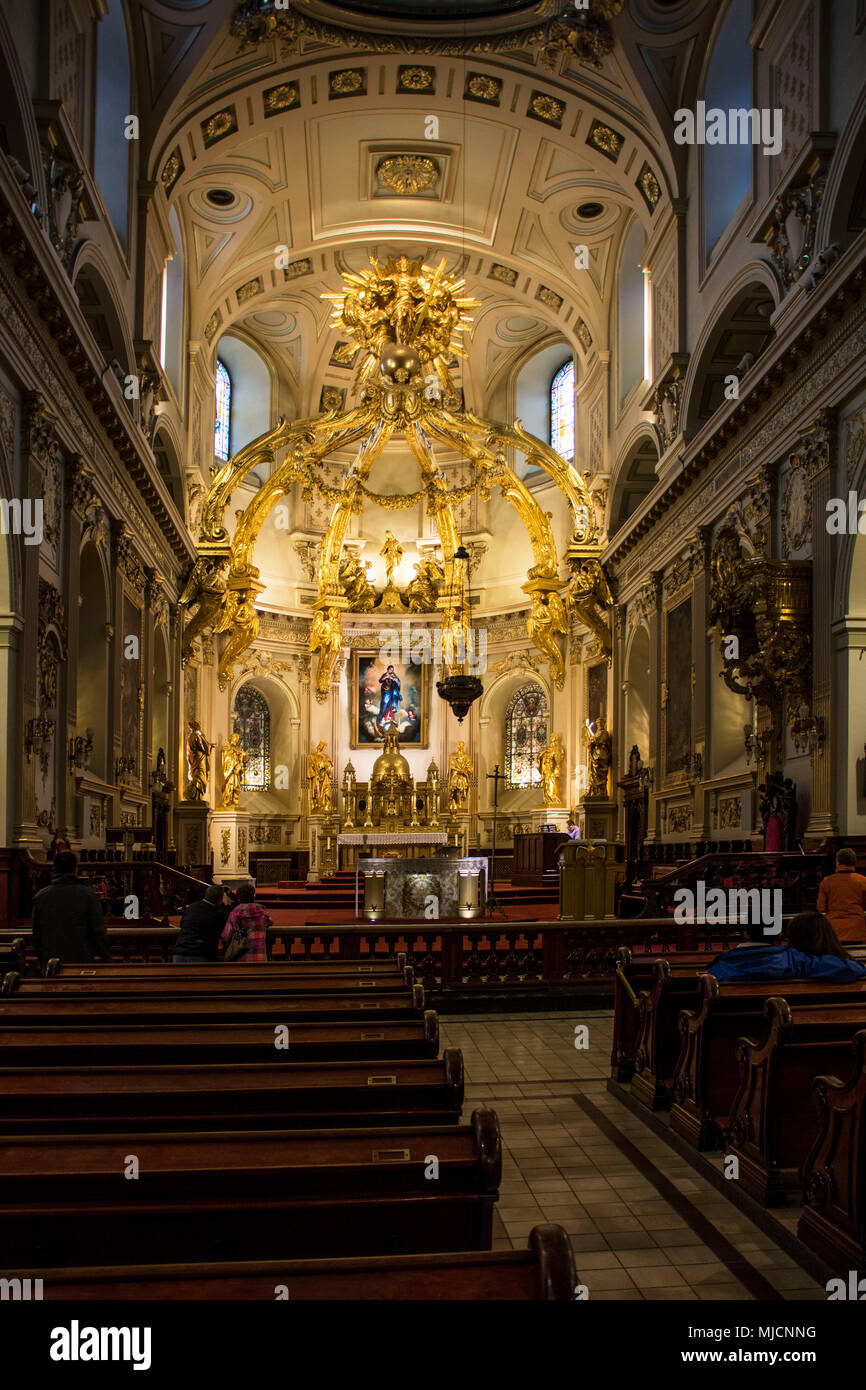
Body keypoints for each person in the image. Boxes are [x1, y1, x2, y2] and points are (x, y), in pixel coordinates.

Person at [707, 911, 866, 983]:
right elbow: (853, 969)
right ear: (779, 935)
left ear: (746, 934)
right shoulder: (795, 961)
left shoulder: (721, 964)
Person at [31, 850, 110, 970]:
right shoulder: (87, 895)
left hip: (51, 965)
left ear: (54, 869)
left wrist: (43, 962)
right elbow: (98, 931)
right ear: (75, 869)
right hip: (81, 965)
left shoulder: (41, 897)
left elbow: (37, 935)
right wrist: (106, 961)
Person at [817, 848, 866, 943]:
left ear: (837, 862)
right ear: (854, 862)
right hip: (856, 930)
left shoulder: (827, 881)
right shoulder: (862, 881)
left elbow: (821, 907)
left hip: (834, 930)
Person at [173, 884, 231, 963]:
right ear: (221, 899)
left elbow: (182, 924)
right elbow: (223, 932)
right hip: (201, 954)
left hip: (180, 952)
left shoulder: (191, 907)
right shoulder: (218, 913)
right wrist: (227, 905)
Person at [220, 881, 272, 963]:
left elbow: (227, 935)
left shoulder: (235, 912)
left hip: (241, 957)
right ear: (253, 896)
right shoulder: (262, 910)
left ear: (238, 897)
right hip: (259, 956)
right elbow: (269, 923)